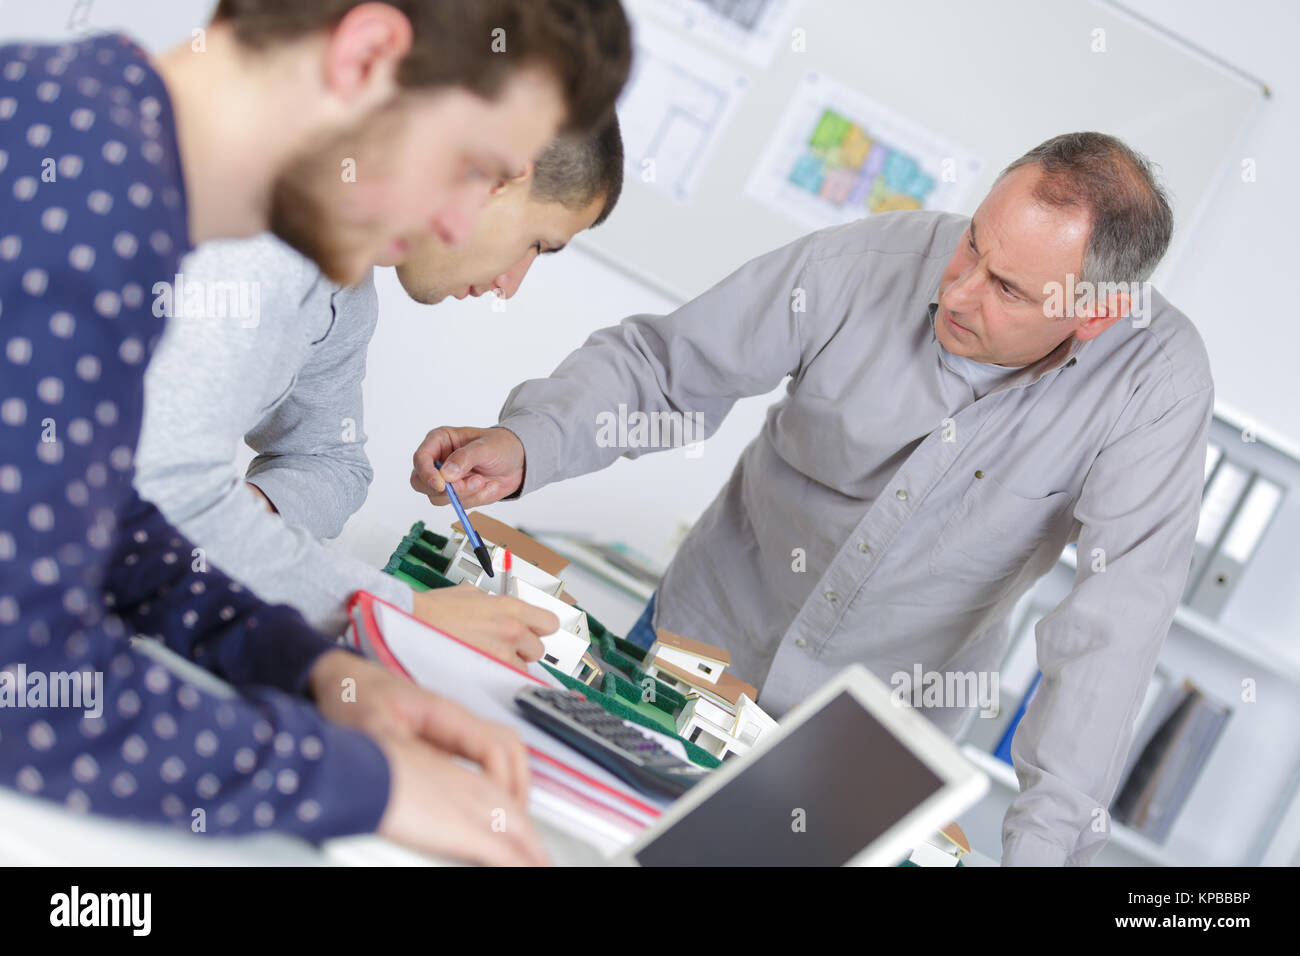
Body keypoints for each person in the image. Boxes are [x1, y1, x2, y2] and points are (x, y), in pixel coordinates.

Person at [410, 132, 1215, 866]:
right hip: (704, 645)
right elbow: (667, 367)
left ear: (1096, 314)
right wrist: (529, 441)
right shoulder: (869, 263)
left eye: (1007, 288)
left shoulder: (1155, 388)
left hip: (873, 743)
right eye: (972, 242)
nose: (960, 292)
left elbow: (1114, 629)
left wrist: (1040, 854)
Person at [0, 0, 630, 866]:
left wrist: (309, 670)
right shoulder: (83, 205)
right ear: (368, 55)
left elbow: (112, 522)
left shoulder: (103, 153)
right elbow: (30, 681)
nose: (455, 227)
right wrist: (363, 780)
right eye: (476, 168)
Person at [133, 121, 625, 666]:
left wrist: (253, 515)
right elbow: (157, 512)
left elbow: (333, 464)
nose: (510, 285)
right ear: (500, 180)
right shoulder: (242, 244)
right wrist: (407, 610)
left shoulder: (346, 295)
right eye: (537, 243)